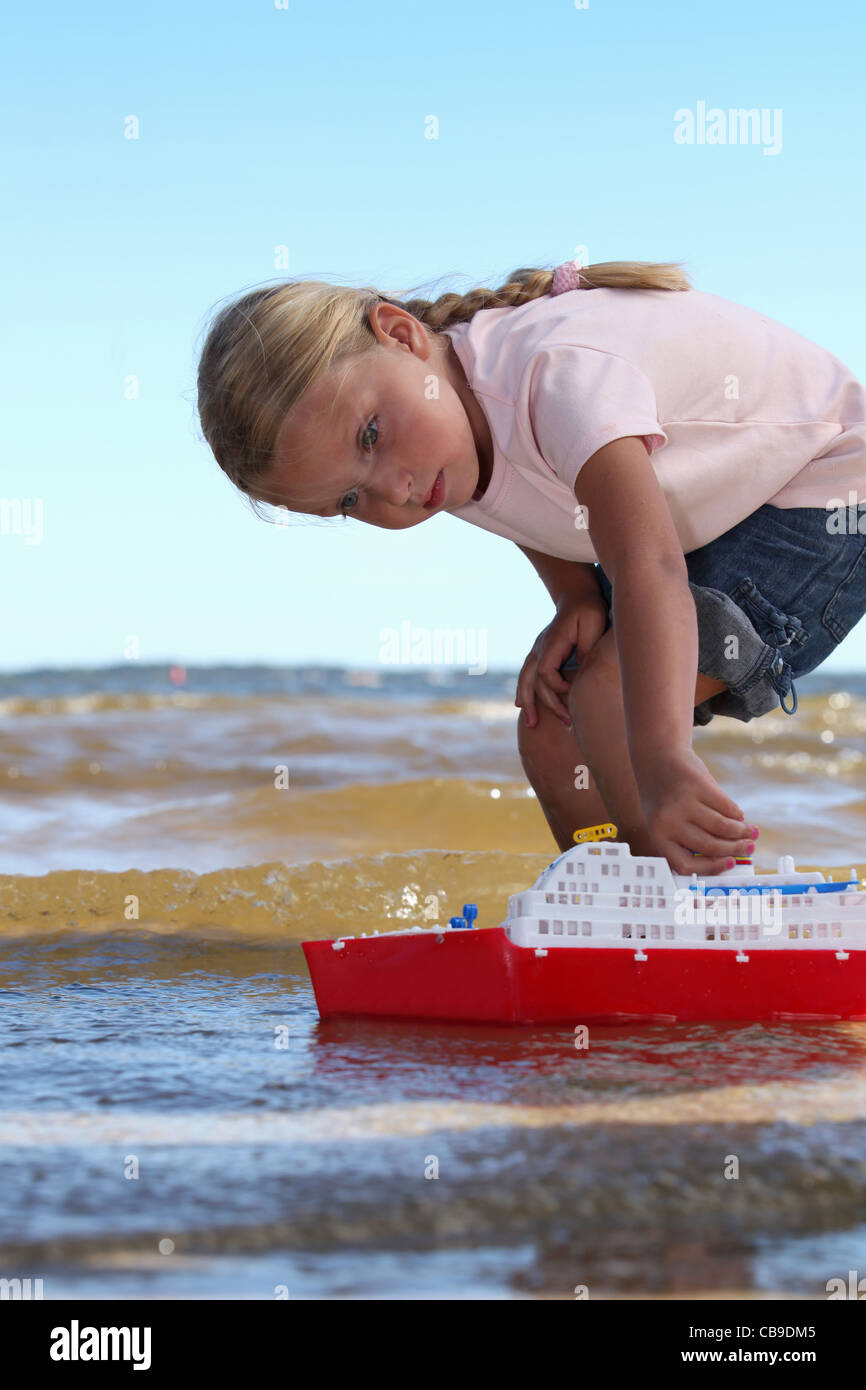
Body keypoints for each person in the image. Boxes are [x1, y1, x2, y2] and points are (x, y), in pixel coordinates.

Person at [195, 258, 866, 874]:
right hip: (711, 508)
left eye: (370, 437)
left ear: (399, 333)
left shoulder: (556, 375)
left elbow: (647, 566)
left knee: (608, 701)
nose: (392, 490)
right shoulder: (433, 433)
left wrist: (661, 760)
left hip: (825, 489)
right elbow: (523, 493)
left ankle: (672, 915)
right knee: (552, 727)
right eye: (349, 499)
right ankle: (608, 911)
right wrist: (574, 595)